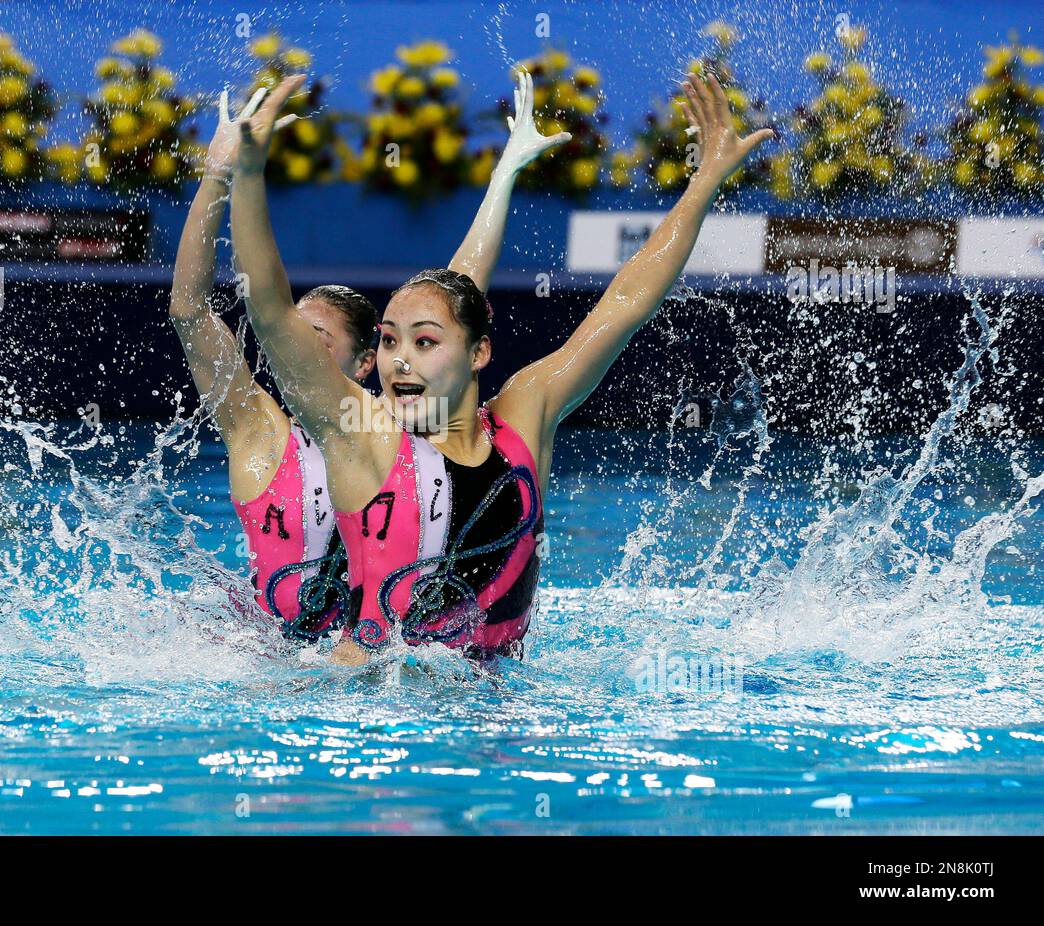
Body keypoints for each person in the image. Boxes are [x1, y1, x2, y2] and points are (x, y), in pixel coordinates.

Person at [230, 70, 775, 666]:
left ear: (479, 353)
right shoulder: (363, 435)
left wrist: (703, 185)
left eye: (424, 342)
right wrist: (247, 178)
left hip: (492, 711)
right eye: (387, 342)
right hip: (364, 713)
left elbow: (623, 306)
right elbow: (272, 314)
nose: (399, 360)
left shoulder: (525, 415)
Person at [168, 73, 570, 642]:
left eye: (318, 338)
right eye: (295, 334)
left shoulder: (400, 433)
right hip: (278, 669)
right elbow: (190, 311)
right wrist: (220, 176)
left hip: (366, 667)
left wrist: (504, 174)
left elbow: (460, 292)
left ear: (364, 363)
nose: (295, 346)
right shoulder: (262, 435)